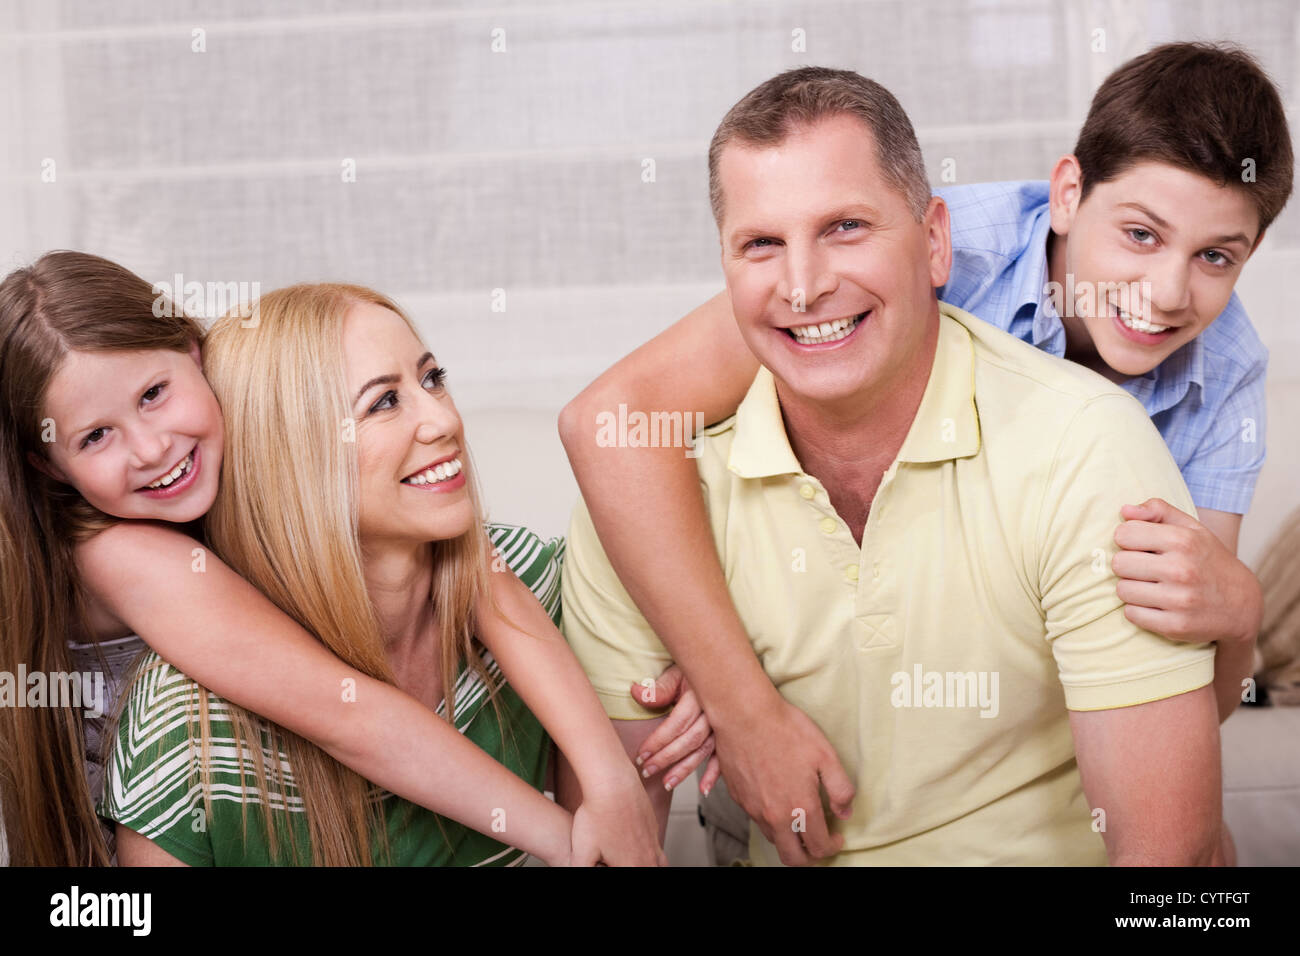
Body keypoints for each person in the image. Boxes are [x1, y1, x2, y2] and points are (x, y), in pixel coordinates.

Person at [558, 44, 1290, 861]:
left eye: (1215, 256)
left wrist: (1239, 617)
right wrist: (742, 699)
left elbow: (1192, 682)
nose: (1163, 292)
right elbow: (613, 419)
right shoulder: (940, 246)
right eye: (1140, 235)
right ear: (1067, 196)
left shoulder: (1207, 378)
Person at [0, 254, 689, 865]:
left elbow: (483, 575)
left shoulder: (235, 462)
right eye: (94, 437)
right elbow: (352, 718)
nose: (151, 448)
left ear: (194, 353)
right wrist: (575, 841)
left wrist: (611, 775)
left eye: (153, 394)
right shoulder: (126, 554)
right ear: (49, 466)